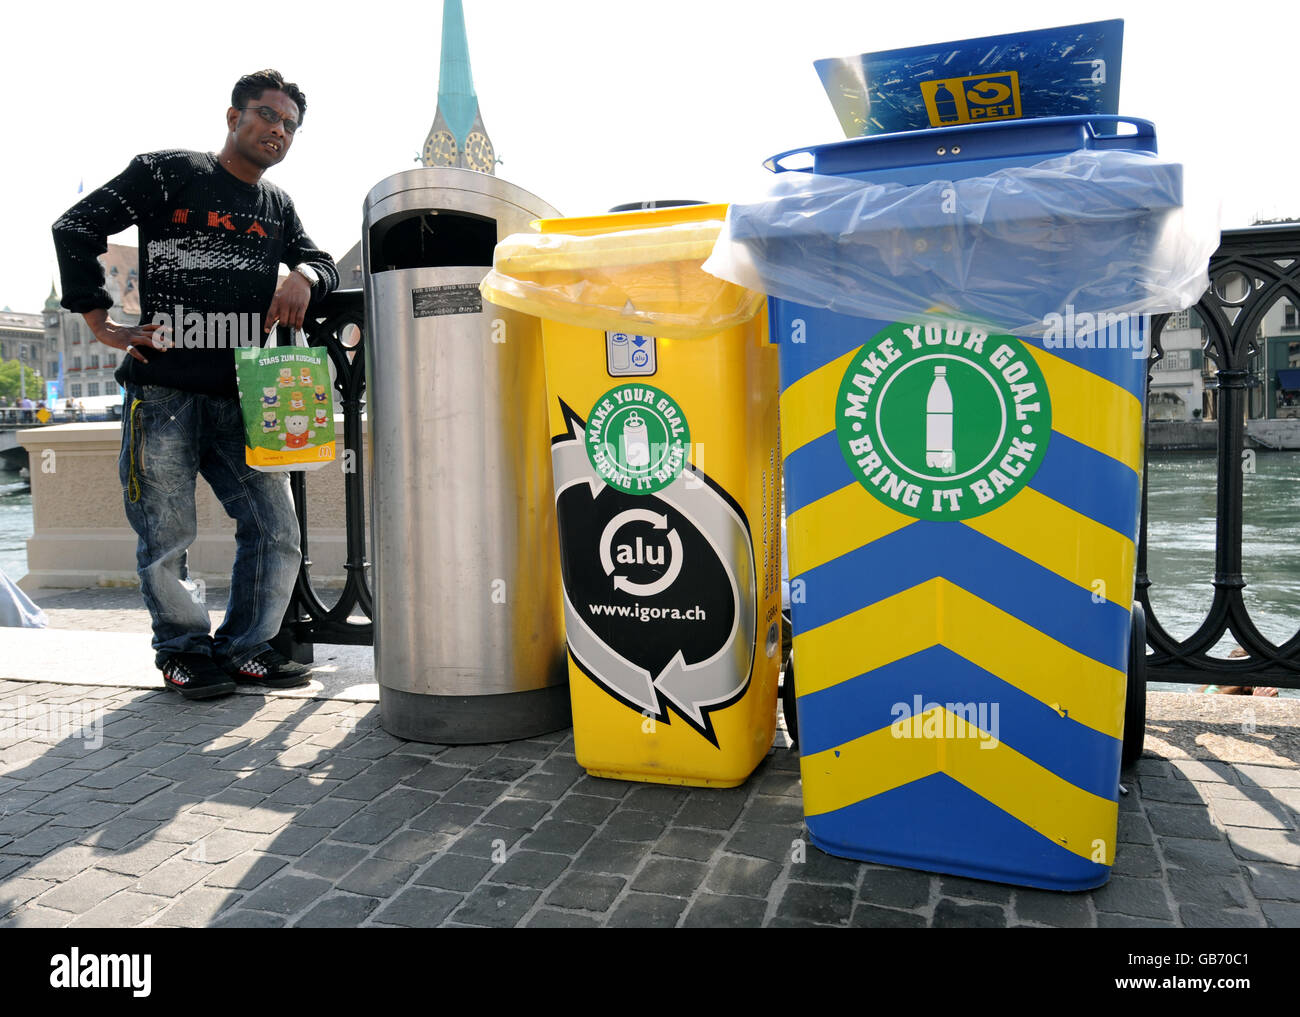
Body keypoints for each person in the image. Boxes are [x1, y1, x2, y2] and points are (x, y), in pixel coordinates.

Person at [52, 69, 339, 700]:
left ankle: (244, 647)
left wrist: (305, 279)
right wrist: (101, 320)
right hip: (163, 394)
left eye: (289, 124)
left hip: (244, 396)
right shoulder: (168, 172)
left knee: (275, 528)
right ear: (233, 116)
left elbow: (320, 259)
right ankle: (182, 652)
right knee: (167, 535)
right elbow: (77, 226)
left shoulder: (277, 205)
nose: (278, 130)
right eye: (267, 115)